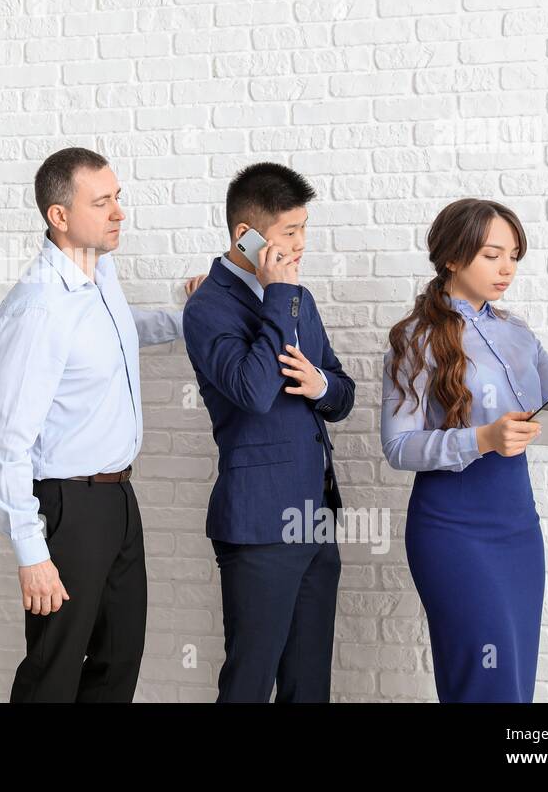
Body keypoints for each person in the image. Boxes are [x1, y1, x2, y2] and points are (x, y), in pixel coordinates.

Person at [381, 198, 548, 702]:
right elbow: (398, 447)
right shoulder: (415, 339)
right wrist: (482, 439)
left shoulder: (517, 334)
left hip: (518, 529)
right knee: (481, 686)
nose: (506, 268)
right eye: (492, 254)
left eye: (514, 255)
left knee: (512, 684)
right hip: (453, 531)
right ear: (452, 256)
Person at [0, 147, 207, 702]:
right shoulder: (37, 309)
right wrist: (32, 554)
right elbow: (3, 444)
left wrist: (192, 320)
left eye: (117, 199)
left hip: (117, 500)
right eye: (101, 201)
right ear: (60, 217)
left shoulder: (99, 275)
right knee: (54, 673)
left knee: (118, 660)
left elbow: (118, 329)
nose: (118, 213)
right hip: (66, 508)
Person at [182, 162, 355, 702]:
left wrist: (320, 383)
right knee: (249, 685)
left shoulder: (300, 298)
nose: (302, 244)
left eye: (305, 228)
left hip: (314, 518)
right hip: (258, 525)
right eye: (289, 232)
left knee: (309, 687)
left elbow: (343, 395)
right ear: (247, 235)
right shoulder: (209, 307)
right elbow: (254, 393)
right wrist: (280, 294)